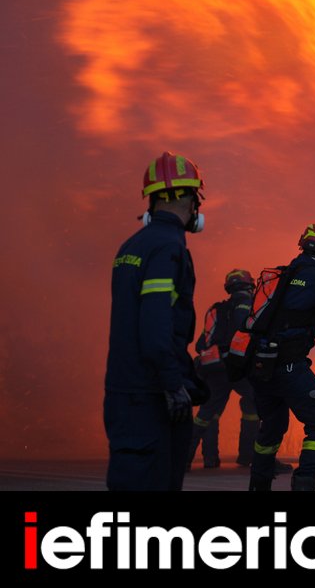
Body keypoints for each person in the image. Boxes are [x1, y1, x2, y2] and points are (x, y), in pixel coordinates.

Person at [105, 151, 207, 491]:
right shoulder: (168, 247)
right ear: (190, 198)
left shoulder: (131, 246)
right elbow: (155, 325)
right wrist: (172, 385)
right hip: (152, 395)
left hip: (123, 391)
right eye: (196, 198)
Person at [246, 222, 315, 491]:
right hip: (288, 366)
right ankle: (305, 482)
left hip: (261, 366)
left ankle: (258, 485)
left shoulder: (286, 273)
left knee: (271, 429)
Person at [191, 269, 264, 469]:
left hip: (215, 368)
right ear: (250, 286)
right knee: (256, 404)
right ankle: (248, 456)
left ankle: (191, 458)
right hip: (238, 367)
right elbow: (248, 335)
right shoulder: (250, 305)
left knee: (207, 413)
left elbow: (201, 344)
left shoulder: (217, 309)